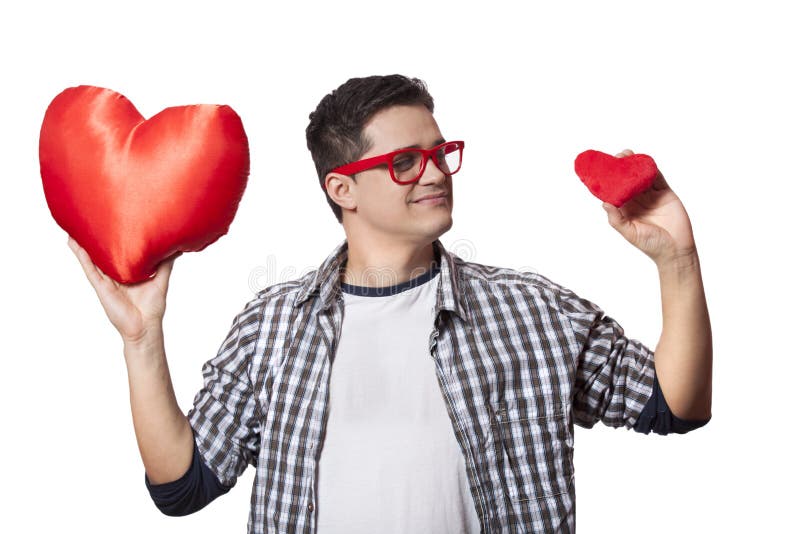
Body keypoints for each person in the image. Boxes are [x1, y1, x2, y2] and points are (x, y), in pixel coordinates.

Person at [68, 74, 712, 534]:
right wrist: (142, 340)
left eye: (439, 154)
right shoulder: (273, 325)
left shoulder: (532, 311)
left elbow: (674, 404)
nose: (434, 174)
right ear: (342, 187)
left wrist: (677, 260)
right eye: (406, 161)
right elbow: (184, 485)